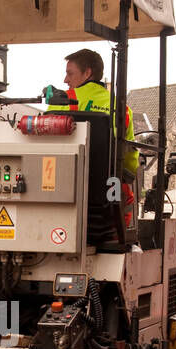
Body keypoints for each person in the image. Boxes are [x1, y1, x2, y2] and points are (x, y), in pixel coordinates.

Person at [49, 49, 138, 228]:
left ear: (87, 73)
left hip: (65, 192)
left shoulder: (65, 100)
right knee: (126, 194)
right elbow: (130, 159)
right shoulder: (123, 109)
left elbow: (46, 147)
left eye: (69, 73)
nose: (65, 80)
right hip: (107, 197)